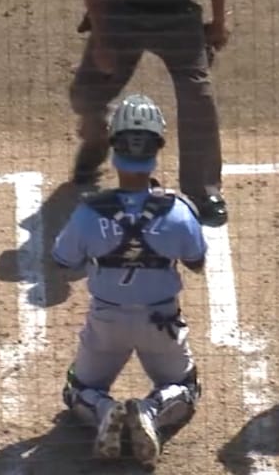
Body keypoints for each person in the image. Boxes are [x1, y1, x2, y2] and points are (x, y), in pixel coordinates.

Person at [51, 93, 207, 468]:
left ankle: (104, 410)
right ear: (158, 147)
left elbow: (63, 261)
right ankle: (151, 410)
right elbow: (196, 262)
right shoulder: (180, 212)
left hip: (106, 323)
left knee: (78, 388)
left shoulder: (88, 212)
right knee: (186, 387)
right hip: (161, 324)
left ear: (113, 147)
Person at [67, 0, 230, 227]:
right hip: (122, 12)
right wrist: (100, 40)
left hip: (178, 20)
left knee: (199, 97)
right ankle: (97, 140)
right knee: (85, 93)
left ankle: (203, 190)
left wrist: (218, 24)